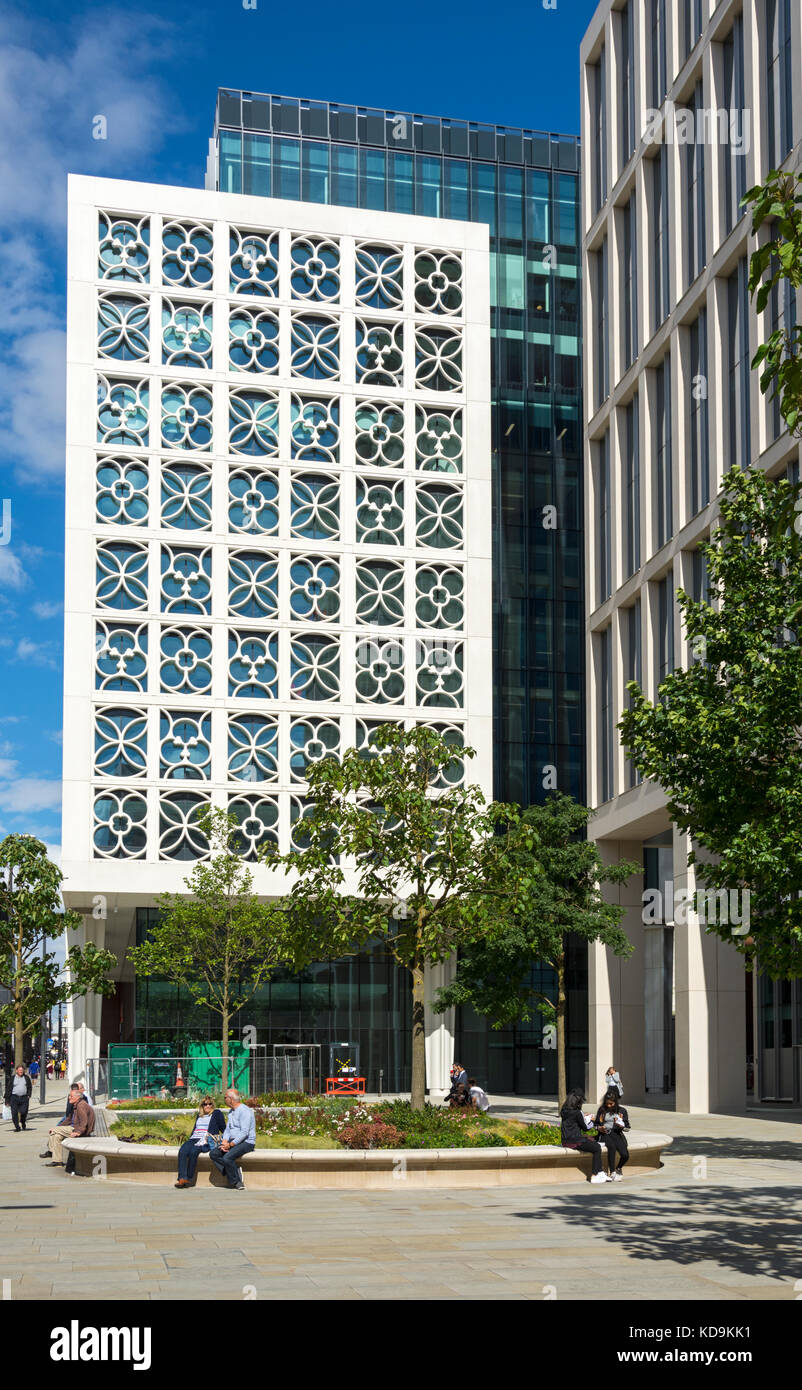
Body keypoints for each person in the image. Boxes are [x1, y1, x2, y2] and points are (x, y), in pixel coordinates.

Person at [208, 1089, 256, 1189]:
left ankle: (237, 1182)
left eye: (225, 1097)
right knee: (213, 1154)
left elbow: (244, 1132)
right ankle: (234, 1171)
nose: (224, 1099)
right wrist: (225, 1141)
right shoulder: (231, 1111)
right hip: (233, 1141)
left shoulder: (244, 1111)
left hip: (247, 1142)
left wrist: (230, 1145)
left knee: (227, 1158)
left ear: (231, 1099)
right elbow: (228, 1130)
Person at [175, 1097, 226, 1188]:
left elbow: (224, 1128)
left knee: (193, 1152)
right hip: (194, 1138)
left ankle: (187, 1178)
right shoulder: (199, 1115)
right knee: (182, 1151)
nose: (208, 1106)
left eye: (210, 1104)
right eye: (205, 1104)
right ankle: (182, 1178)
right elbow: (195, 1129)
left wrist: (227, 1141)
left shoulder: (216, 1113)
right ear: (202, 1106)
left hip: (205, 1140)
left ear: (212, 1105)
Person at [560, 1088, 607, 1184]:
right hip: (575, 1141)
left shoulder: (564, 1110)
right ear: (579, 1101)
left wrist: (584, 1117)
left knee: (593, 1142)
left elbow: (573, 1122)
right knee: (597, 1148)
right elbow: (586, 1128)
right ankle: (594, 1175)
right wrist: (591, 1120)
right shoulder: (578, 1112)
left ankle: (601, 1172)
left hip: (565, 1140)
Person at [46, 1085, 95, 1170]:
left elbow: (84, 1121)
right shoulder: (76, 1105)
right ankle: (58, 1161)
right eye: (69, 1096)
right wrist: (59, 1126)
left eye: (71, 1096)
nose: (69, 1098)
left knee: (54, 1131)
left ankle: (51, 1151)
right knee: (57, 1136)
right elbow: (68, 1119)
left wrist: (78, 1132)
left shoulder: (81, 1106)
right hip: (74, 1127)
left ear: (77, 1097)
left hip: (79, 1130)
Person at [594, 1089, 631, 1180]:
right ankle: (612, 1171)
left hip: (616, 1133)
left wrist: (621, 1126)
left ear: (615, 1102)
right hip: (604, 1133)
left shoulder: (622, 1111)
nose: (609, 1106)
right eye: (607, 1103)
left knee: (625, 1154)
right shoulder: (602, 1110)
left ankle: (619, 1168)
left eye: (611, 1104)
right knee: (612, 1146)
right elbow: (595, 1125)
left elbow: (627, 1127)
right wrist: (599, 1128)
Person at [5, 1065, 32, 1132]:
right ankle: (17, 1127)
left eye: (22, 1070)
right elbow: (8, 1089)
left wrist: (28, 1095)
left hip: (24, 1098)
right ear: (16, 1071)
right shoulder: (12, 1078)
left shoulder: (26, 1078)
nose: (21, 1071)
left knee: (23, 1112)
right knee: (14, 1113)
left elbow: (29, 1087)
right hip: (14, 1097)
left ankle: (23, 1122)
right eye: (19, 1070)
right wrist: (7, 1100)